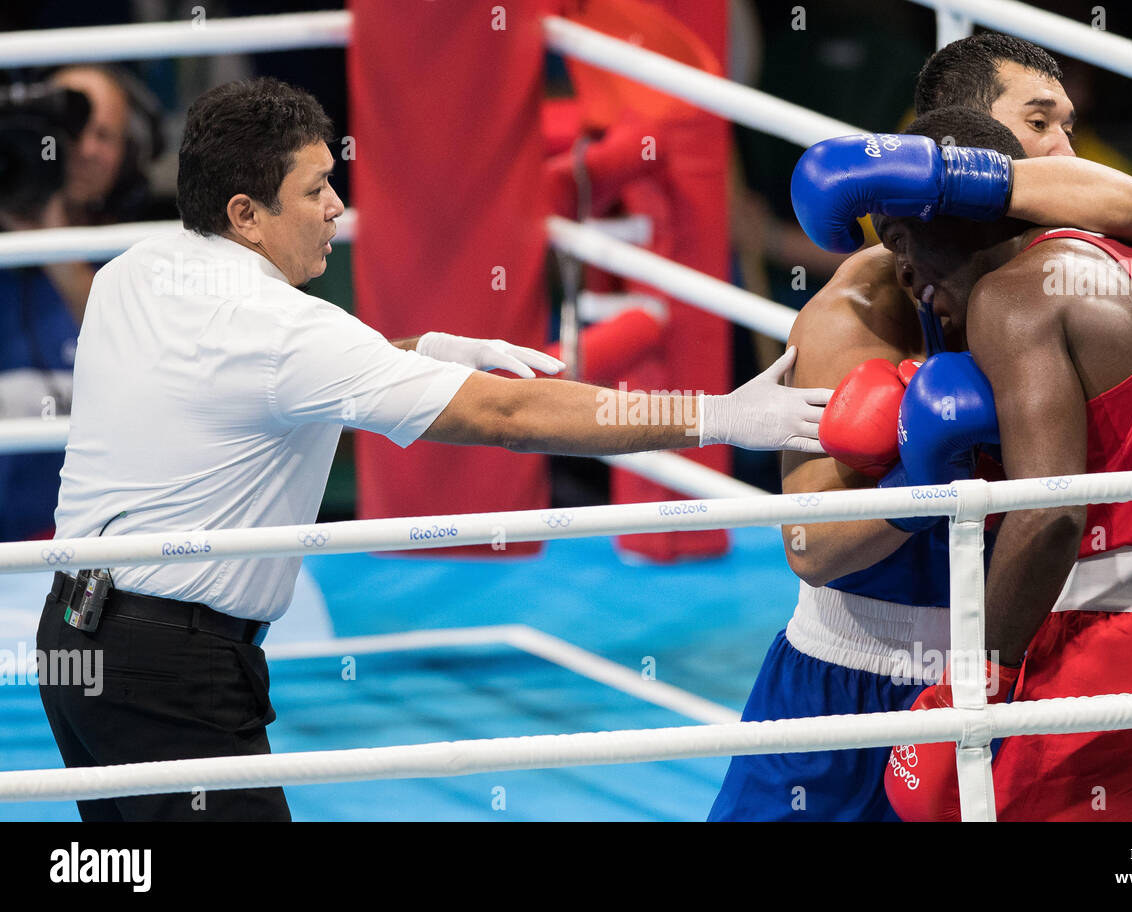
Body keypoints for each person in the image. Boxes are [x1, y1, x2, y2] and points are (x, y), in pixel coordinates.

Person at [36, 77, 832, 822]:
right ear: (246, 214)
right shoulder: (283, 331)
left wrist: (423, 353)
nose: (337, 207)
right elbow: (511, 413)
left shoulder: (130, 275)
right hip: (168, 668)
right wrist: (721, 416)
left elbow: (263, 379)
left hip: (72, 643)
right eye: (314, 190)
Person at [709, 33, 1132, 822]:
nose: (1063, 148)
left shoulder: (1066, 276)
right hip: (848, 678)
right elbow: (810, 548)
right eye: (1040, 121)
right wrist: (919, 478)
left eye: (1069, 128)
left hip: (1013, 664)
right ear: (959, 131)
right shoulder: (865, 305)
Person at [872, 106, 1132, 822]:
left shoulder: (1014, 297)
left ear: (949, 212)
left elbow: (1051, 511)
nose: (900, 271)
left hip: (1110, 655)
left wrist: (974, 682)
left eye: (900, 240)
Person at [0, 65, 163, 543]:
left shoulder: (143, 253)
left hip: (98, 545)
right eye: (71, 133)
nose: (87, 149)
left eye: (106, 135)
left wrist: (51, 245)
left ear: (133, 150)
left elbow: (142, 364)